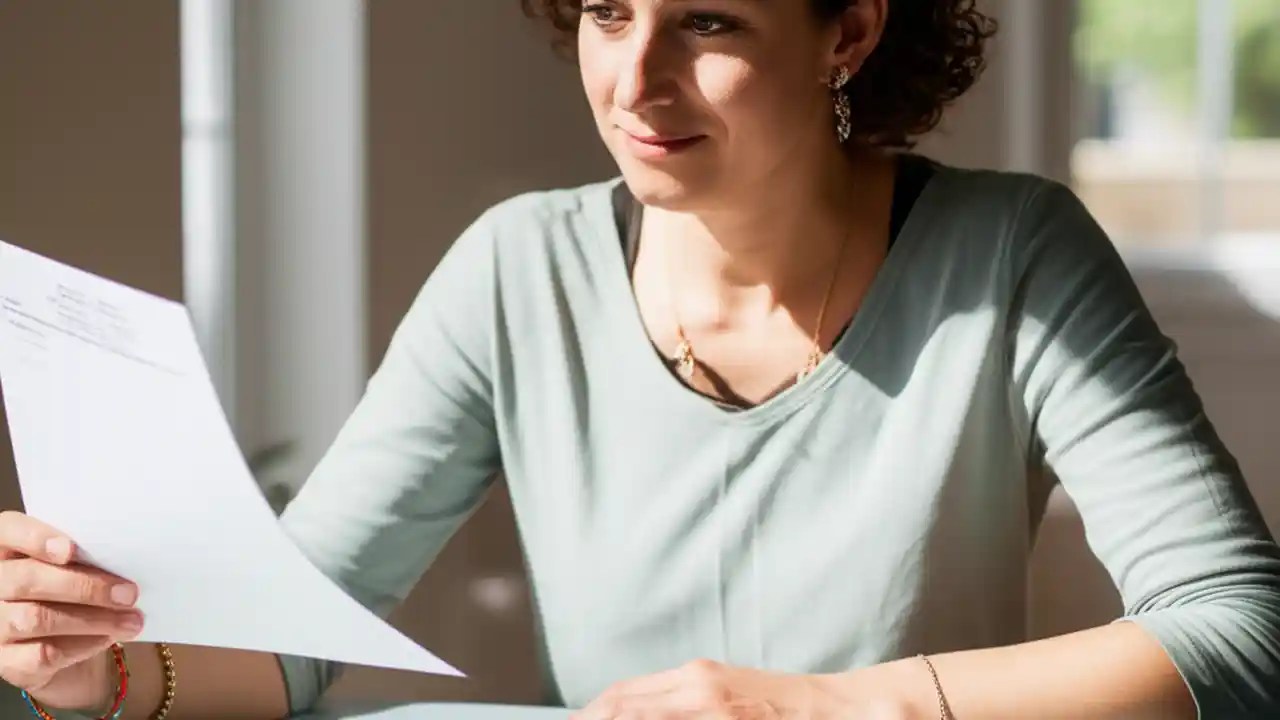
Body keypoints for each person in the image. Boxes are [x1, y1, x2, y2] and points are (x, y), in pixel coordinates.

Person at [3, 1, 1280, 718]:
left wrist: (825, 711)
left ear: (849, 30)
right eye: (610, 12)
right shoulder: (517, 270)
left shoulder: (1011, 254)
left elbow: (1239, 635)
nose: (634, 81)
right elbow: (293, 643)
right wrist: (97, 666)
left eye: (707, 20)